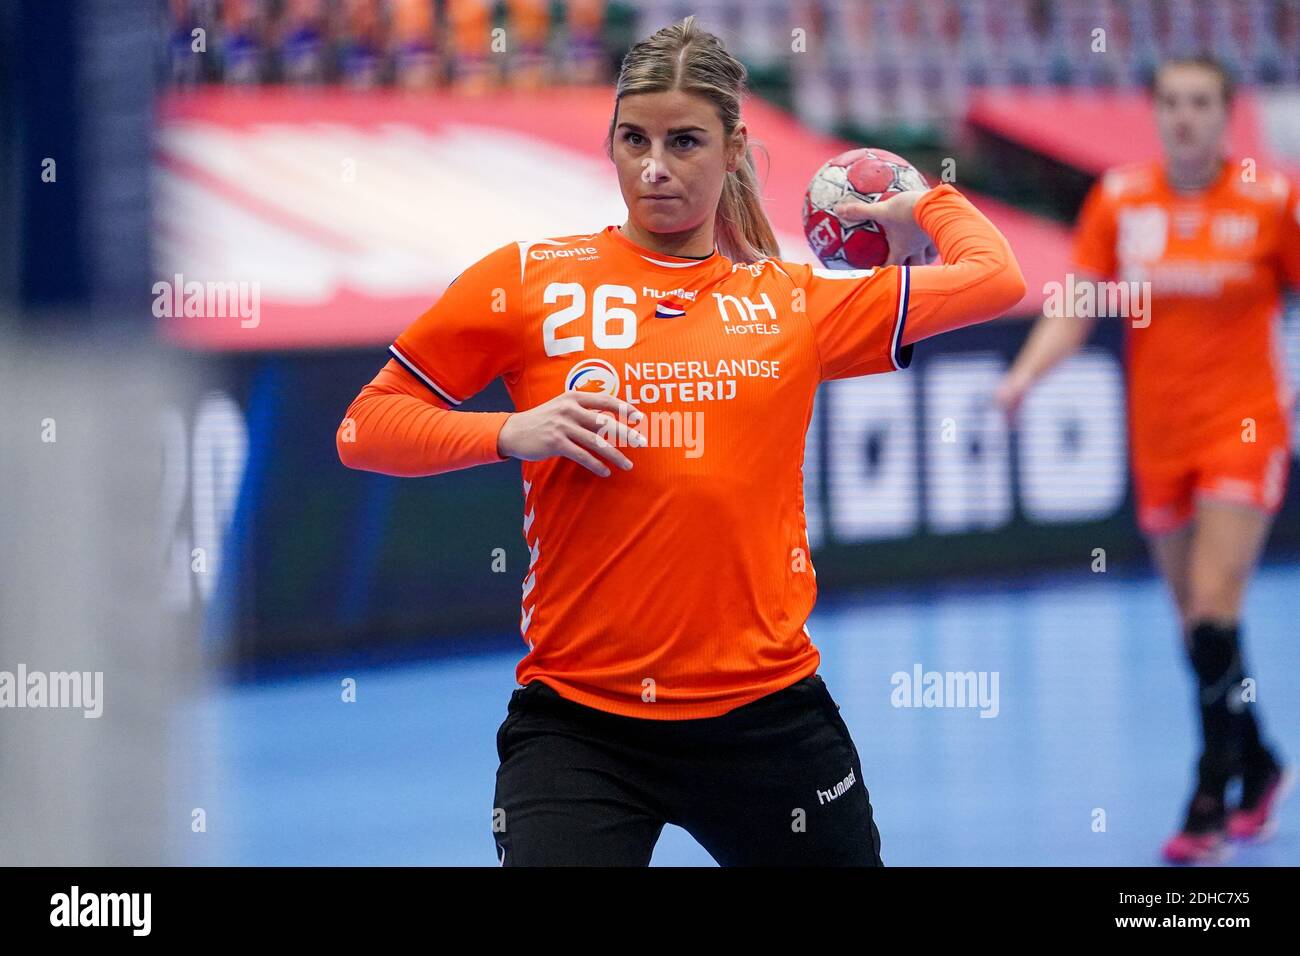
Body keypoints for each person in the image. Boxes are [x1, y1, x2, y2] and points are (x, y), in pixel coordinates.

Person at [337, 15, 1025, 865]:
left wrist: (921, 198)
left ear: (735, 148)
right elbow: (364, 427)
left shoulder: (789, 303)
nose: (654, 167)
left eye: (685, 141)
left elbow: (997, 277)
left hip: (767, 720)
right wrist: (510, 430)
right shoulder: (528, 279)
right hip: (581, 726)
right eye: (634, 139)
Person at [995, 54, 1299, 864]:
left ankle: (1211, 791)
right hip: (1158, 438)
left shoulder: (1272, 201)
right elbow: (1077, 305)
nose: (1185, 117)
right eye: (1171, 103)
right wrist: (1023, 377)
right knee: (1198, 631)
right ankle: (1264, 759)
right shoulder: (1122, 200)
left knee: (1213, 608)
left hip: (1245, 428)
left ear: (1227, 114)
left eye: (1201, 103)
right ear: (1156, 112)